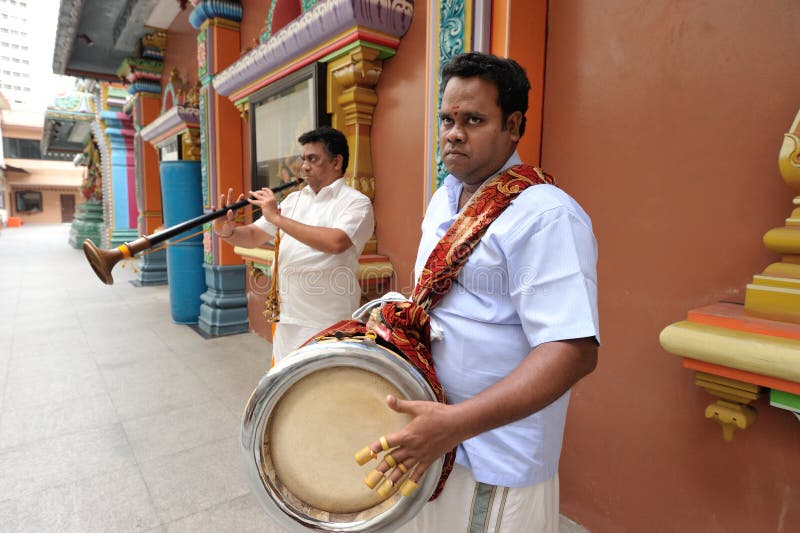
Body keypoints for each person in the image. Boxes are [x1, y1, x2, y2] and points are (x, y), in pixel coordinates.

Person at [362, 52, 600, 532]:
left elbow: (573, 350)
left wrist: (456, 423)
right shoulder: (444, 197)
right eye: (447, 119)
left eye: (473, 120)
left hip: (495, 450)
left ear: (513, 126)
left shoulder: (546, 215)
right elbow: (440, 297)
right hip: (432, 433)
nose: (453, 133)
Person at [213, 126, 375, 364]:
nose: (304, 166)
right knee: (287, 391)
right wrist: (226, 231)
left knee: (322, 391)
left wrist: (277, 218)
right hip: (288, 318)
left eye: (313, 159)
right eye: (303, 159)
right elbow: (253, 236)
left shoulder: (356, 203)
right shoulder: (293, 200)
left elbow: (335, 242)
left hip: (328, 320)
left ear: (336, 162)